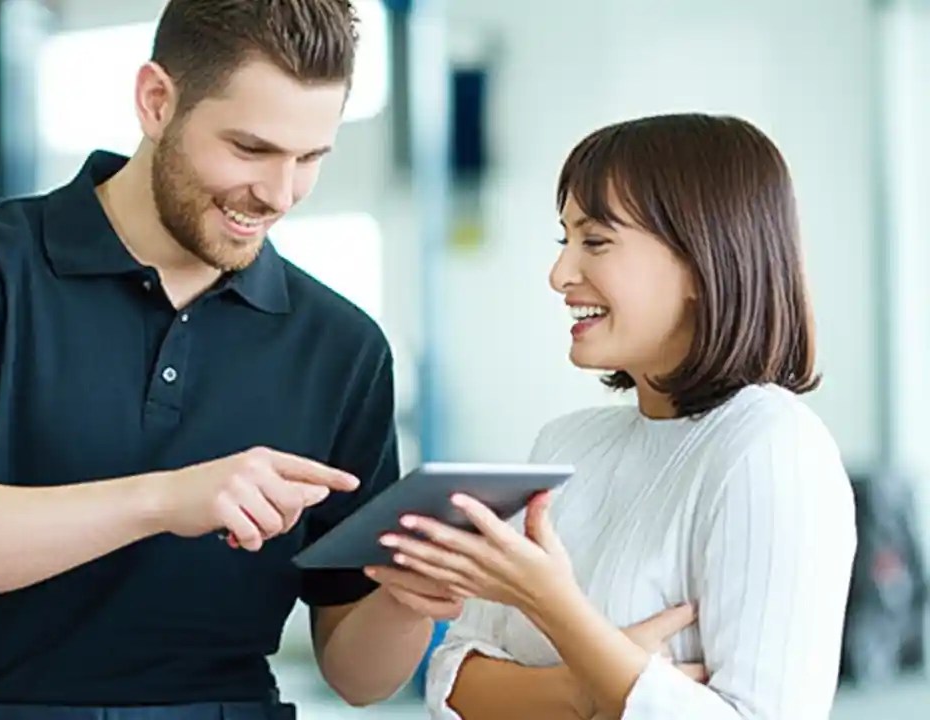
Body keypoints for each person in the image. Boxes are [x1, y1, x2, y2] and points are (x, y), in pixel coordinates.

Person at [0, 2, 462, 718]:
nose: (278, 193)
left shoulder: (342, 347)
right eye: (250, 148)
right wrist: (166, 499)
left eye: (310, 158)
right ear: (156, 101)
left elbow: (359, 677)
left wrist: (409, 597)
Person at [364, 113, 857, 719]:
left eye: (595, 241)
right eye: (564, 240)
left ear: (703, 259)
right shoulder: (564, 444)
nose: (560, 274)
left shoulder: (772, 446)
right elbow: (452, 684)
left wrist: (552, 607)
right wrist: (585, 689)